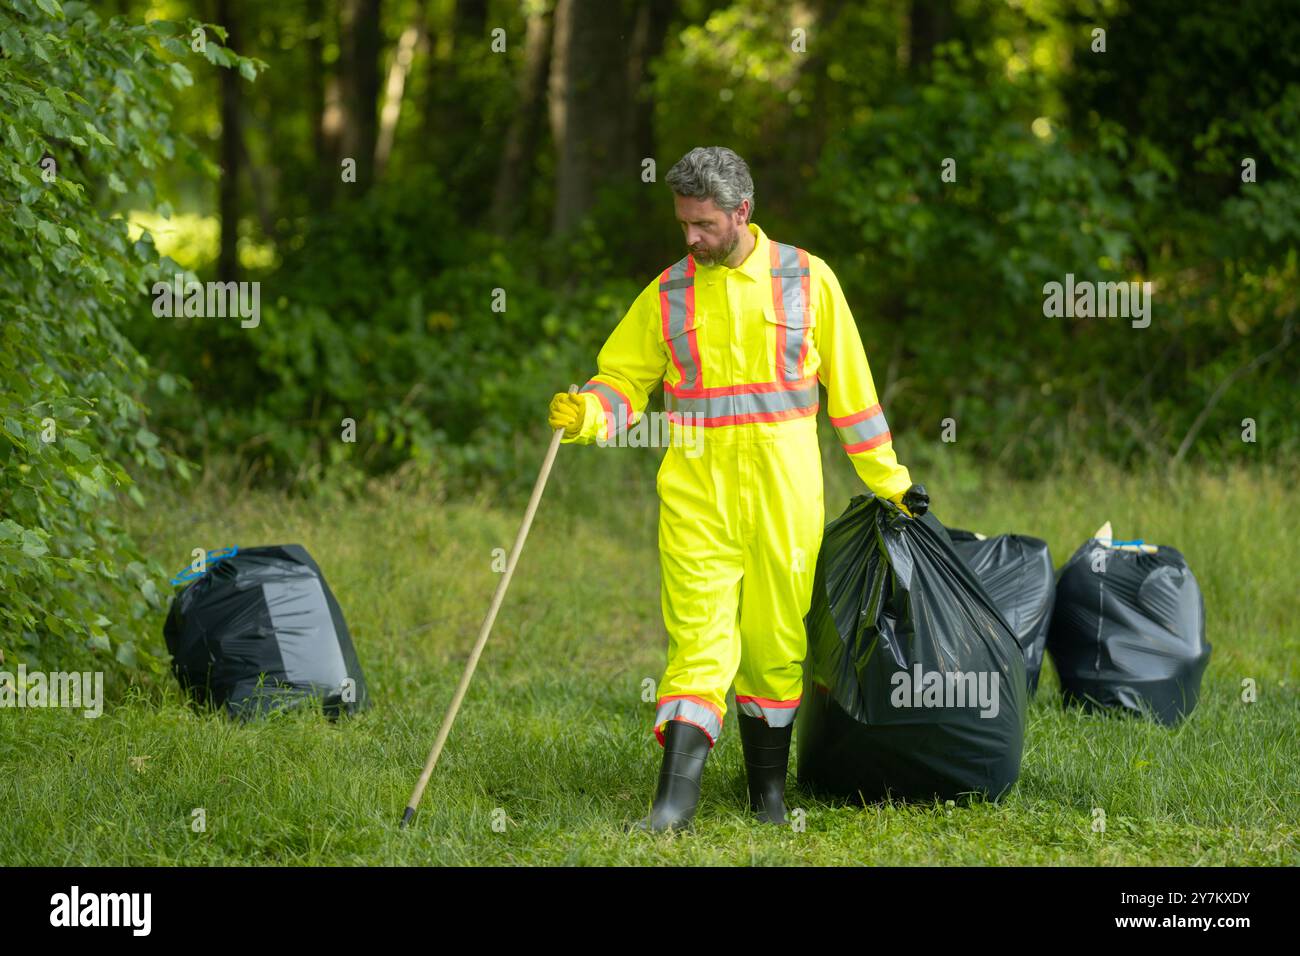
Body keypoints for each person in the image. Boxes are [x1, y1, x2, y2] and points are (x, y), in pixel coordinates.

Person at [548, 146, 929, 832]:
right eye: (683, 224)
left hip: (787, 498)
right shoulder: (667, 292)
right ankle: (673, 805)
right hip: (696, 497)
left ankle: (769, 798)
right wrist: (590, 414)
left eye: (704, 225)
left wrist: (892, 485)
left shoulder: (808, 281)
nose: (690, 238)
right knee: (696, 640)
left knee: (775, 643)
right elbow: (623, 378)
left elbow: (853, 396)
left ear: (742, 212)